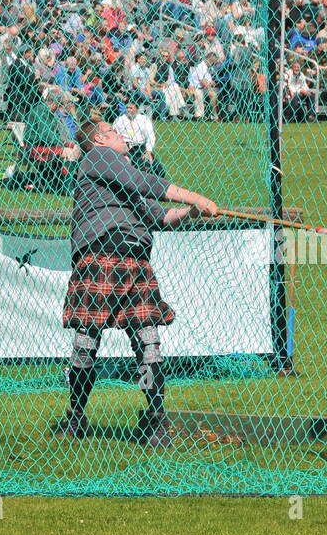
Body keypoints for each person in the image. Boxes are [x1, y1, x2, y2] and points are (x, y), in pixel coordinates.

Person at [56, 114, 218, 445]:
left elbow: (159, 217)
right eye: (112, 131)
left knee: (147, 340)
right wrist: (194, 197)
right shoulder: (98, 157)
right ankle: (76, 419)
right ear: (99, 139)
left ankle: (154, 423)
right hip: (102, 253)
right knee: (90, 337)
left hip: (133, 259)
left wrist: (193, 213)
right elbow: (146, 183)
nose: (119, 134)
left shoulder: (120, 179)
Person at [113, 98, 164, 178]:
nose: (129, 110)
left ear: (137, 108)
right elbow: (115, 136)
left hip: (140, 148)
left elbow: (150, 135)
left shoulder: (144, 119)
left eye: (131, 108)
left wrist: (149, 151)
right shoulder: (119, 120)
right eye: (127, 108)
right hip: (126, 147)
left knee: (158, 170)